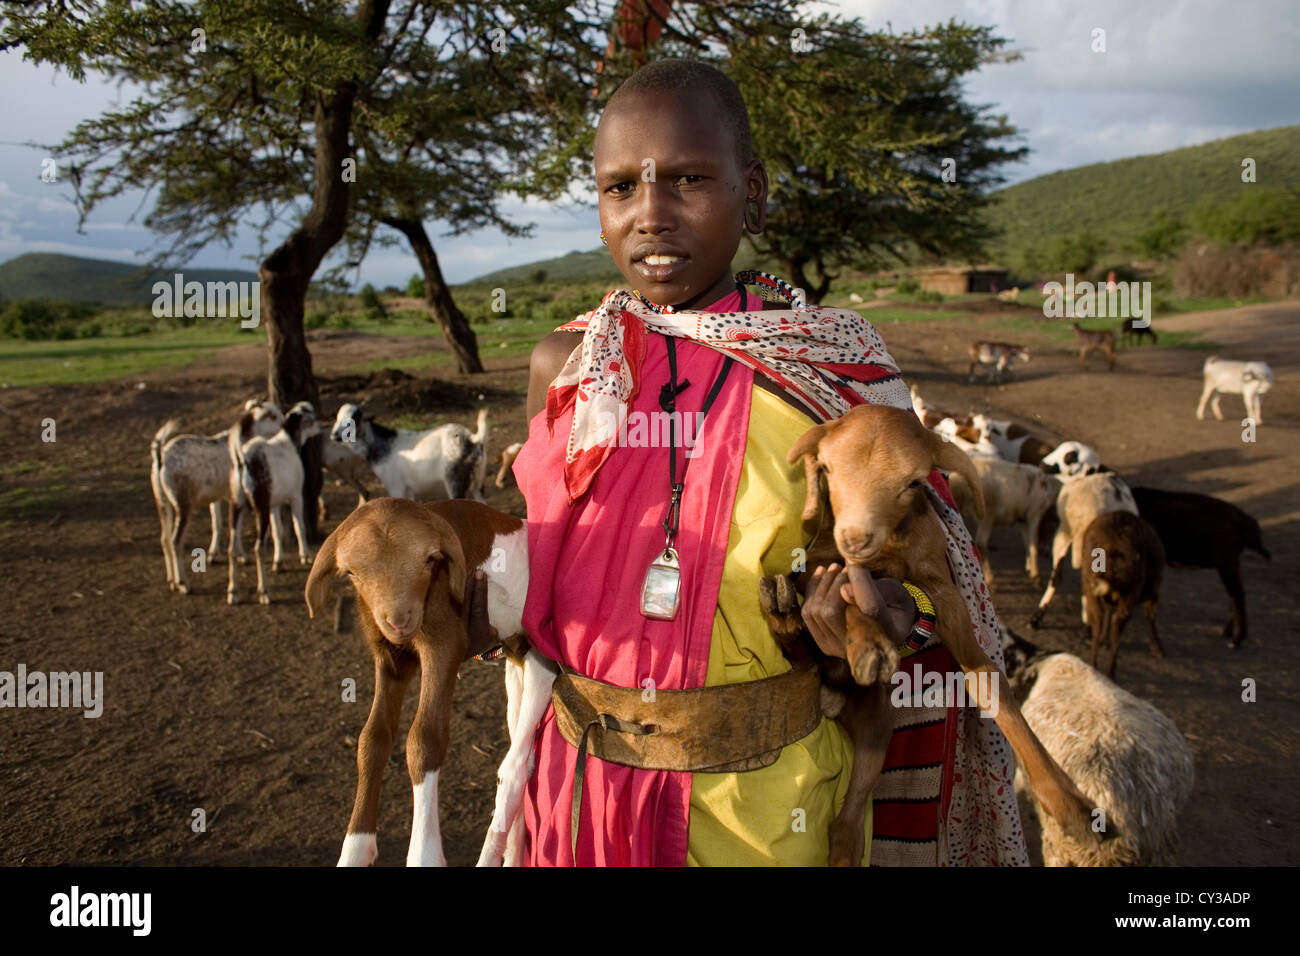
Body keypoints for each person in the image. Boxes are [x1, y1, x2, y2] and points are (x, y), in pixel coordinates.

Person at [487, 59, 1026, 866]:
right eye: (620, 189)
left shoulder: (836, 375)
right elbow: (536, 578)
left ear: (757, 194)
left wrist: (872, 620)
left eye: (689, 180)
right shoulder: (566, 367)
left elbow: (929, 586)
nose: (651, 216)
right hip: (579, 799)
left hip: (770, 811)